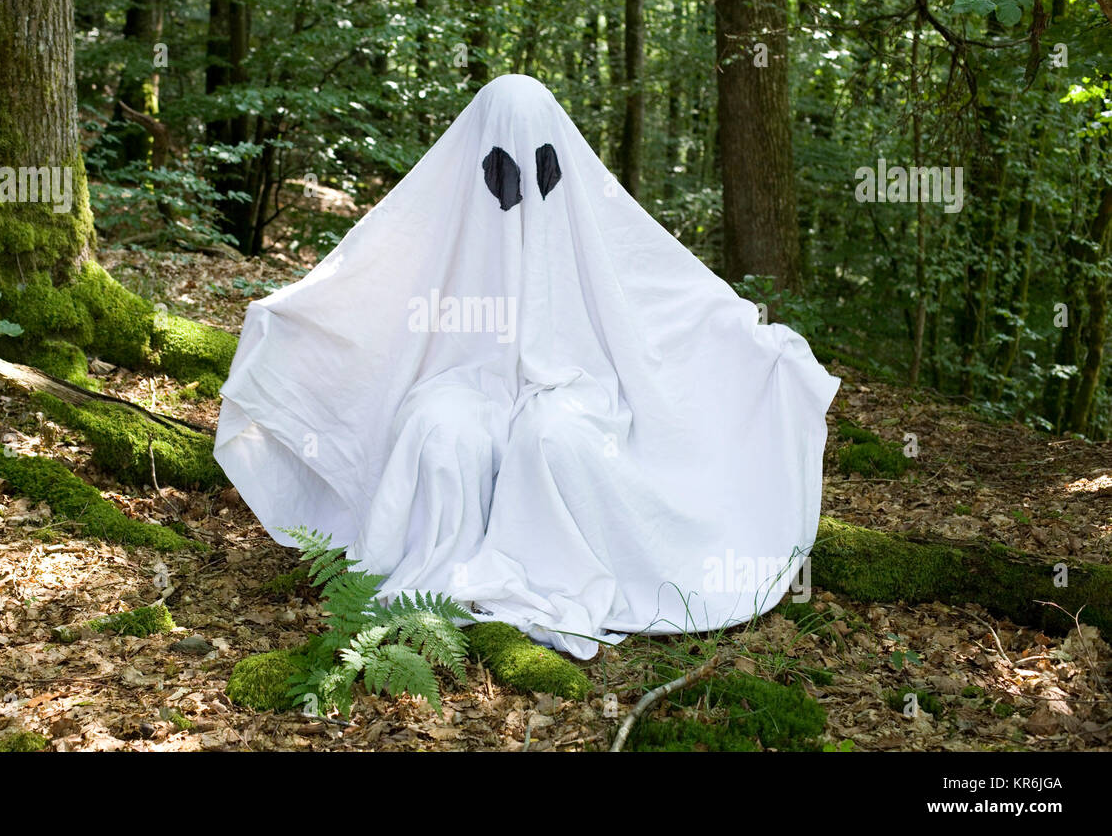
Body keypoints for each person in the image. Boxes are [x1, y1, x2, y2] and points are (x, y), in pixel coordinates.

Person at [214, 74, 840, 659]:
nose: (521, 185)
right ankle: (436, 582)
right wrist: (290, 318)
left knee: (555, 436)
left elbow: (661, 287)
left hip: (572, 381)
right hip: (462, 379)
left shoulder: (588, 216)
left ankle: (554, 576)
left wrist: (751, 340)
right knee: (442, 429)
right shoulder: (442, 215)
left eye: (537, 161)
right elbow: (372, 281)